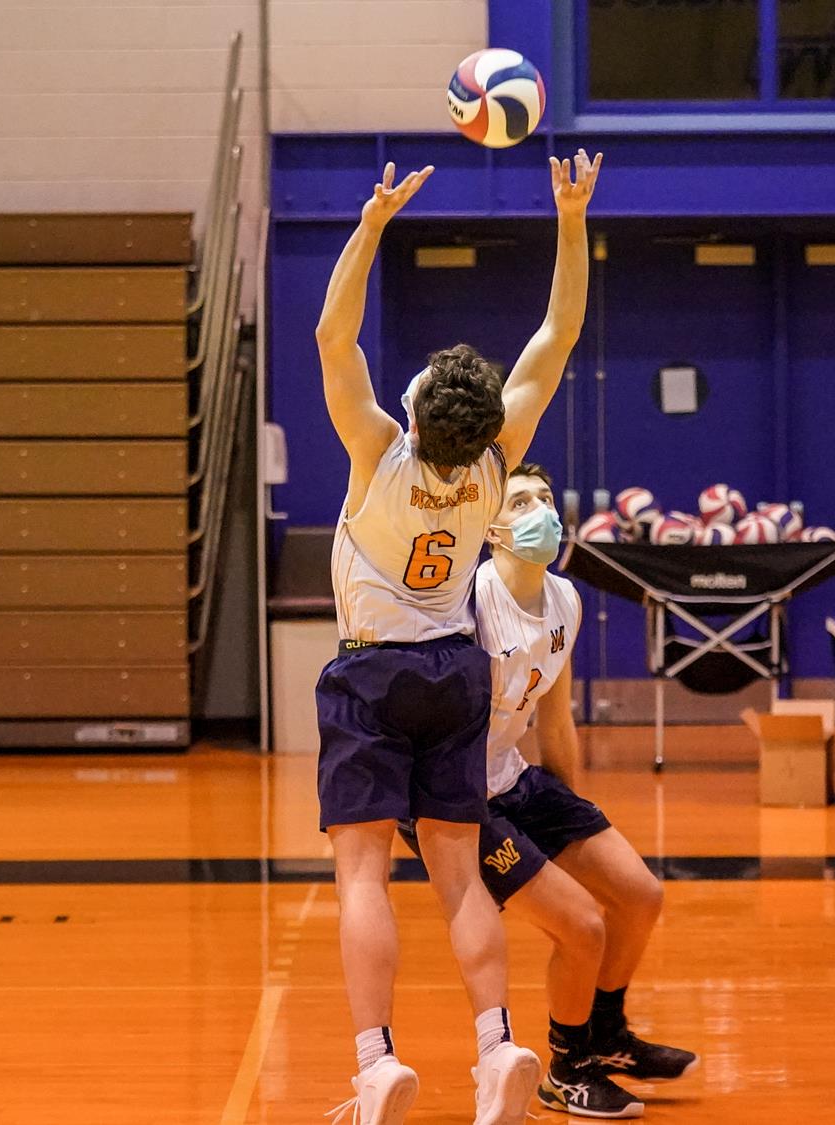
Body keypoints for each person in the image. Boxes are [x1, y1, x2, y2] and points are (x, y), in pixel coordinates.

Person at [313, 151, 598, 1125]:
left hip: (371, 672)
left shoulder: (374, 451)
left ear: (414, 407)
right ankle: (494, 1044)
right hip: (454, 673)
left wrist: (371, 222)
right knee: (457, 870)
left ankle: (374, 1064)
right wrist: (568, 214)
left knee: (361, 871)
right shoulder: (494, 461)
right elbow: (557, 332)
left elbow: (329, 330)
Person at [399, 463, 696, 1119]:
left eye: (544, 497)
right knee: (581, 925)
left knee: (639, 895)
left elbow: (555, 719)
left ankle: (607, 1035)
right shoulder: (469, 603)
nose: (541, 510)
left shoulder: (565, 597)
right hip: (456, 799)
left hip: (516, 778)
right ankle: (567, 1069)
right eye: (522, 500)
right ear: (493, 525)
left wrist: (576, 825)